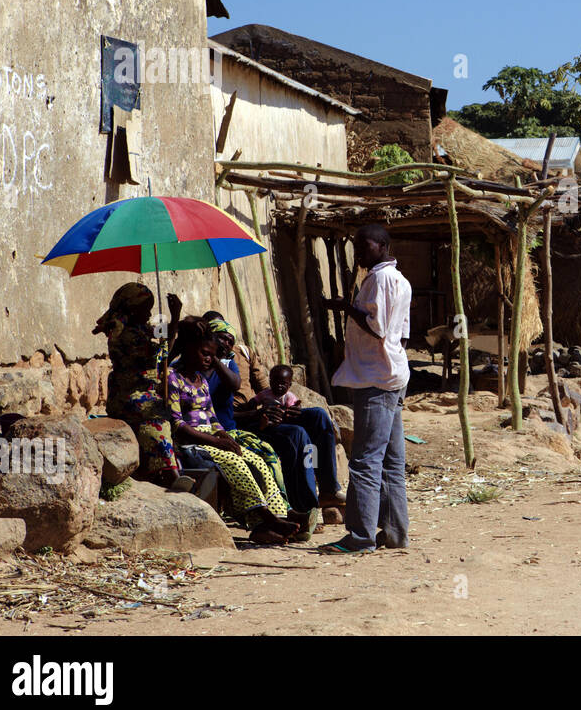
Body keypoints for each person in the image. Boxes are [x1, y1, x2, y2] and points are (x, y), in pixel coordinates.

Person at [168, 319, 307, 545]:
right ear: (188, 349)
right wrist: (215, 441)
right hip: (192, 442)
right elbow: (178, 426)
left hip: (212, 438)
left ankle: (277, 517)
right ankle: (267, 518)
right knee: (237, 464)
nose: (209, 360)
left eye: (212, 356)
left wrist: (222, 435)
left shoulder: (201, 381)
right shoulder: (173, 378)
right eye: (204, 353)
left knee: (257, 459)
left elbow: (212, 417)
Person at [318, 224, 412, 554]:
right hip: (390, 376)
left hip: (377, 379)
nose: (359, 251)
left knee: (365, 461)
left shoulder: (383, 280)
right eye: (356, 245)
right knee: (389, 461)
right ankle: (396, 533)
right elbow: (402, 335)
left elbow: (378, 328)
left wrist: (348, 308)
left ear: (383, 246)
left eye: (365, 245)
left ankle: (360, 536)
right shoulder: (398, 281)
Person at [93, 283, 190, 491]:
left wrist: (172, 319)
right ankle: (171, 475)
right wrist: (174, 321)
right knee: (158, 424)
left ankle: (168, 469)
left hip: (141, 393)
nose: (149, 314)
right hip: (130, 396)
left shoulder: (138, 327)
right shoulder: (126, 334)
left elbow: (161, 332)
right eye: (145, 309)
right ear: (132, 309)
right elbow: (164, 356)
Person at [250, 365, 345, 513]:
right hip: (259, 422)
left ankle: (328, 490)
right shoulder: (210, 373)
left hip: (278, 414)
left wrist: (291, 410)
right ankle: (306, 507)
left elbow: (264, 383)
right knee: (298, 433)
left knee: (319, 416)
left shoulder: (245, 353)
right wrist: (258, 413)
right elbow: (233, 412)